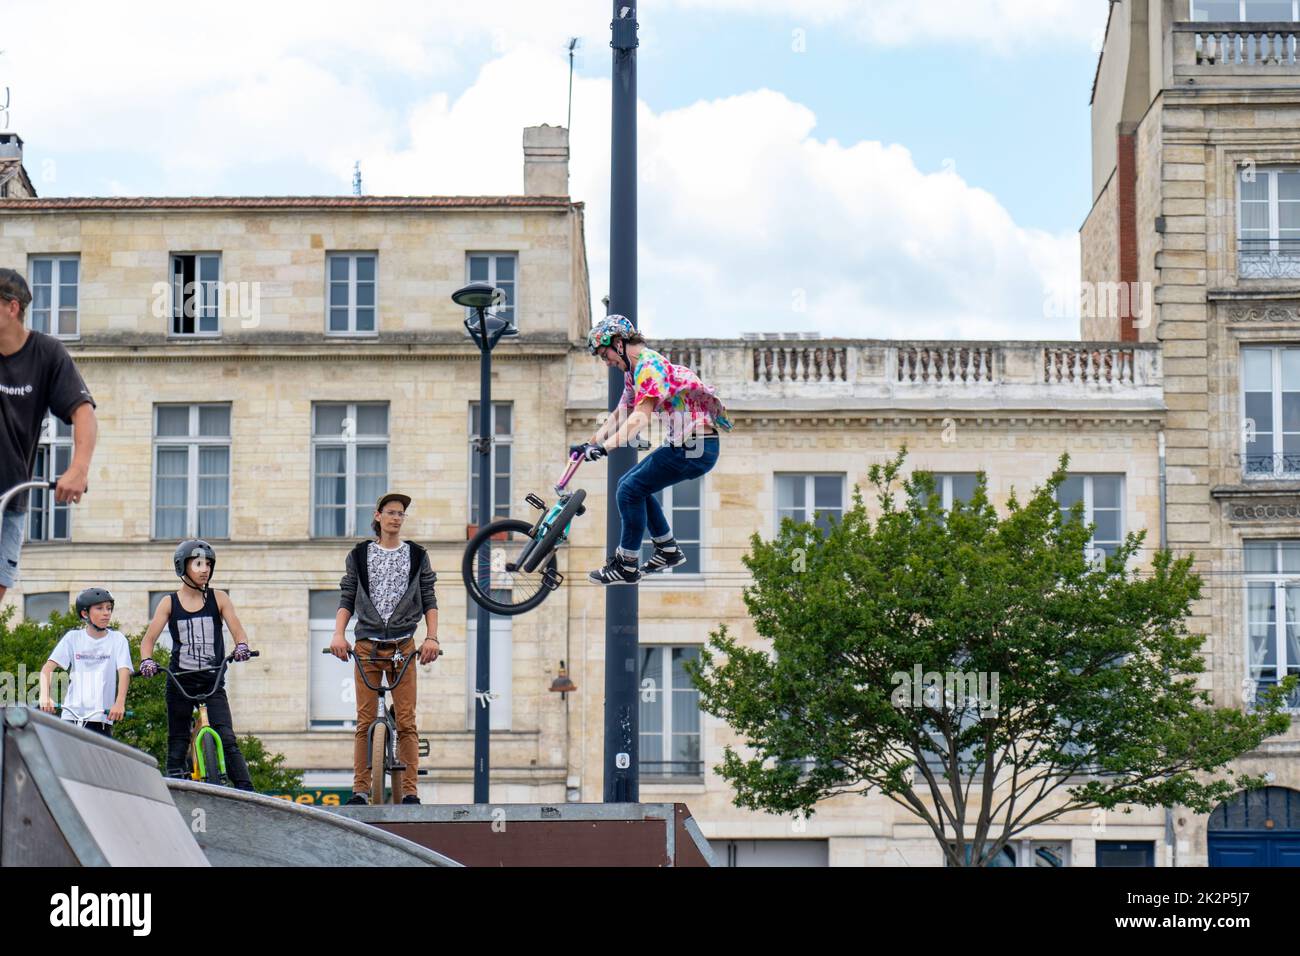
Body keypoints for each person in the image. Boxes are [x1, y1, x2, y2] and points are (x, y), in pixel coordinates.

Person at [576, 315, 731, 585]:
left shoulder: (649, 366)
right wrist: (591, 441)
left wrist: (606, 447)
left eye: (605, 354)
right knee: (631, 485)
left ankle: (627, 563)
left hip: (696, 447)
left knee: (628, 489)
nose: (607, 362)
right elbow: (621, 412)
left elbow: (640, 416)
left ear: (620, 344)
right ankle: (667, 549)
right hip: (687, 444)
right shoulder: (633, 373)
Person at [329, 492, 441, 806]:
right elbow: (347, 597)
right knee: (364, 721)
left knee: (406, 720)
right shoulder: (359, 554)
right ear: (378, 516)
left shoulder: (417, 555)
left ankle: (409, 792)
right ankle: (360, 790)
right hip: (366, 645)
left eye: (401, 513)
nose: (396, 518)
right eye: (390, 512)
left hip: (403, 645)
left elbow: (429, 598)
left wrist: (431, 638)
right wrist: (338, 634)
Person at [0, 268, 98, 604]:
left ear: (12, 308)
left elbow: (83, 413)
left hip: (9, 499)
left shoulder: (47, 355)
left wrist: (78, 468)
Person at [138, 539, 256, 791]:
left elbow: (238, 631)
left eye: (208, 565)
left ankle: (248, 793)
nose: (205, 570)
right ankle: (176, 792)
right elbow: (147, 642)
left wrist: (242, 646)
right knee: (178, 740)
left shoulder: (219, 598)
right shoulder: (169, 602)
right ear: (183, 567)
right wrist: (147, 661)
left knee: (227, 738)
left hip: (211, 680)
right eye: (198, 564)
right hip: (180, 679)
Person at [38, 587, 132, 738]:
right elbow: (47, 669)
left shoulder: (117, 639)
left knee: (98, 760)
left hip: (101, 717)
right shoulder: (73, 638)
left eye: (109, 608)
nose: (106, 612)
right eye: (100, 608)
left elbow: (124, 671)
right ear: (85, 613)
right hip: (71, 715)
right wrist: (45, 696)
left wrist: (119, 702)